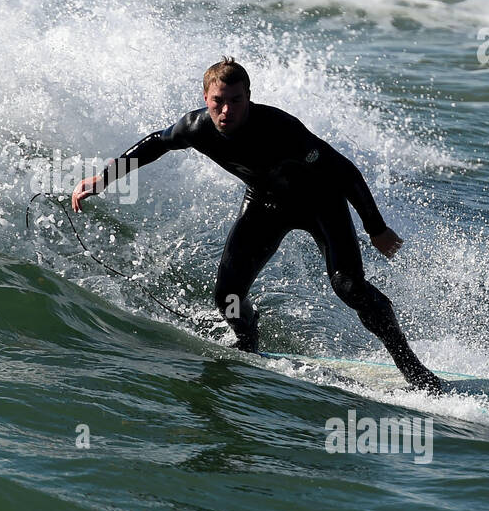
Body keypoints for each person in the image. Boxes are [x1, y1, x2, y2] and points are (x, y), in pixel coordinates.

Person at [71, 57, 443, 392]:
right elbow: (156, 144)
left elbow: (343, 170)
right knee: (227, 295)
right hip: (266, 204)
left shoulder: (281, 129)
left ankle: (413, 368)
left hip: (320, 202)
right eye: (218, 101)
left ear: (249, 97)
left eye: (236, 100)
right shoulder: (195, 127)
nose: (226, 110)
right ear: (205, 97)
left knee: (349, 288)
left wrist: (374, 227)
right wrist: (102, 180)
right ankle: (248, 341)